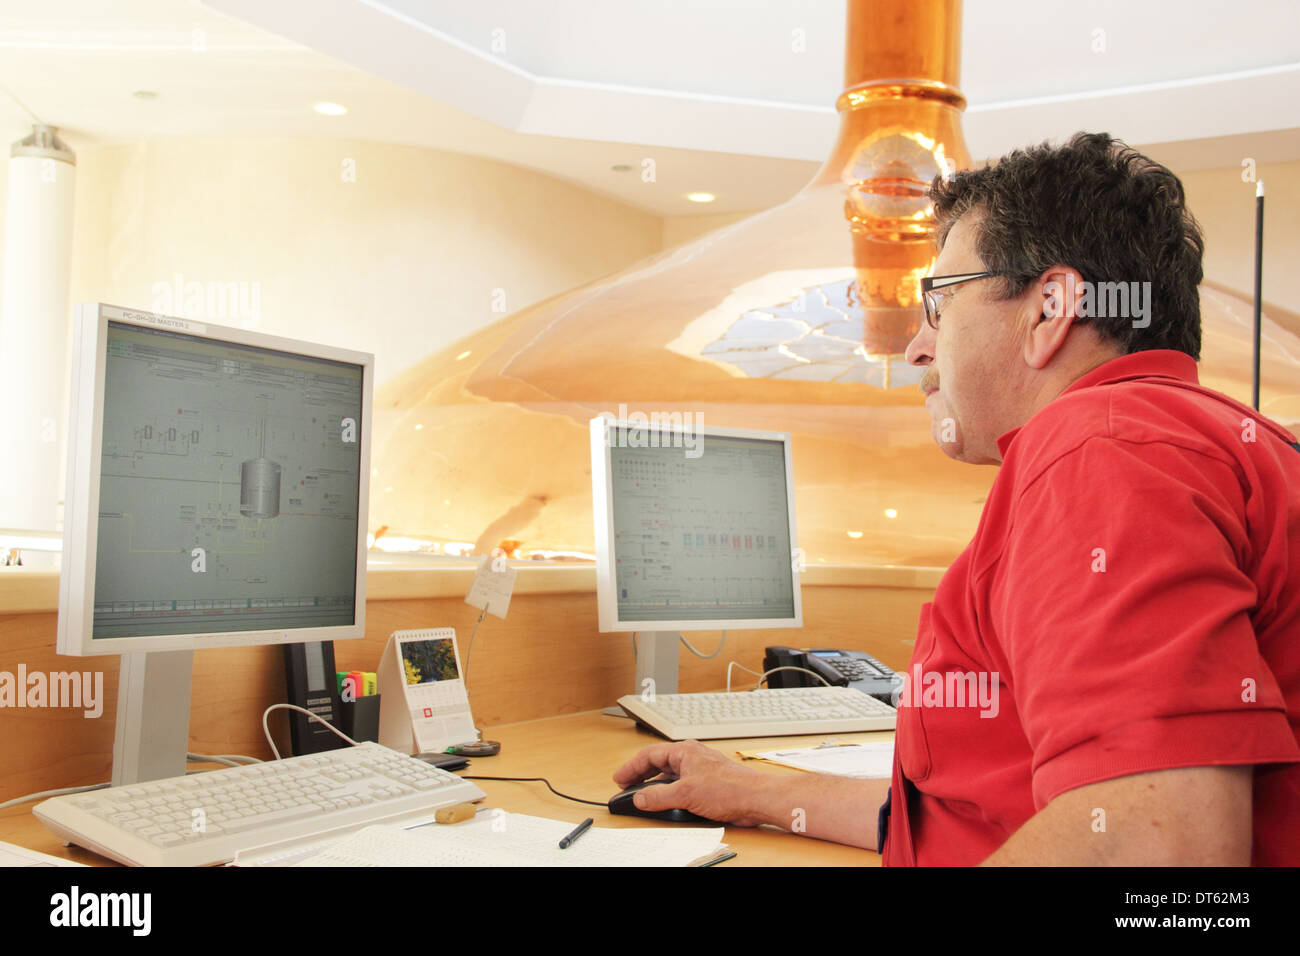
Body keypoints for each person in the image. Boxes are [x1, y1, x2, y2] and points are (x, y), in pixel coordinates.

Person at [613, 132, 1300, 865]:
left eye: (938, 304)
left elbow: (1159, 849)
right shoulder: (1206, 438)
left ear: (1050, 312)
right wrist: (751, 789)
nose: (915, 348)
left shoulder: (1100, 450)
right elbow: (991, 810)